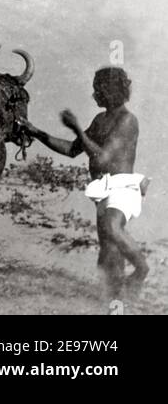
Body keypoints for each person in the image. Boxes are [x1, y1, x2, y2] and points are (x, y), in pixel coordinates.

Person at [23, 67, 149, 297]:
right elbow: (72, 150)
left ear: (112, 90)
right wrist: (36, 132)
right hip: (103, 190)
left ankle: (141, 268)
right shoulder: (100, 119)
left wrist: (78, 130)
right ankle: (114, 296)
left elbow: (103, 157)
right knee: (108, 249)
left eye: (98, 90)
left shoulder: (127, 120)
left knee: (113, 227)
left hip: (122, 186)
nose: (94, 95)